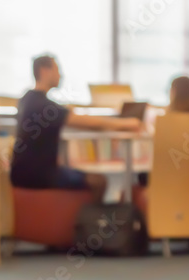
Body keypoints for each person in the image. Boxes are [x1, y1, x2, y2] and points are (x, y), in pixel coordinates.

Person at [9, 55, 141, 202]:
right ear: (44, 71)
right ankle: (86, 223)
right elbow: (85, 122)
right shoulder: (43, 105)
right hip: (38, 175)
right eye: (57, 69)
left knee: (84, 175)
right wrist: (126, 124)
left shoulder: (28, 99)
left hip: (25, 172)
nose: (60, 75)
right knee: (99, 181)